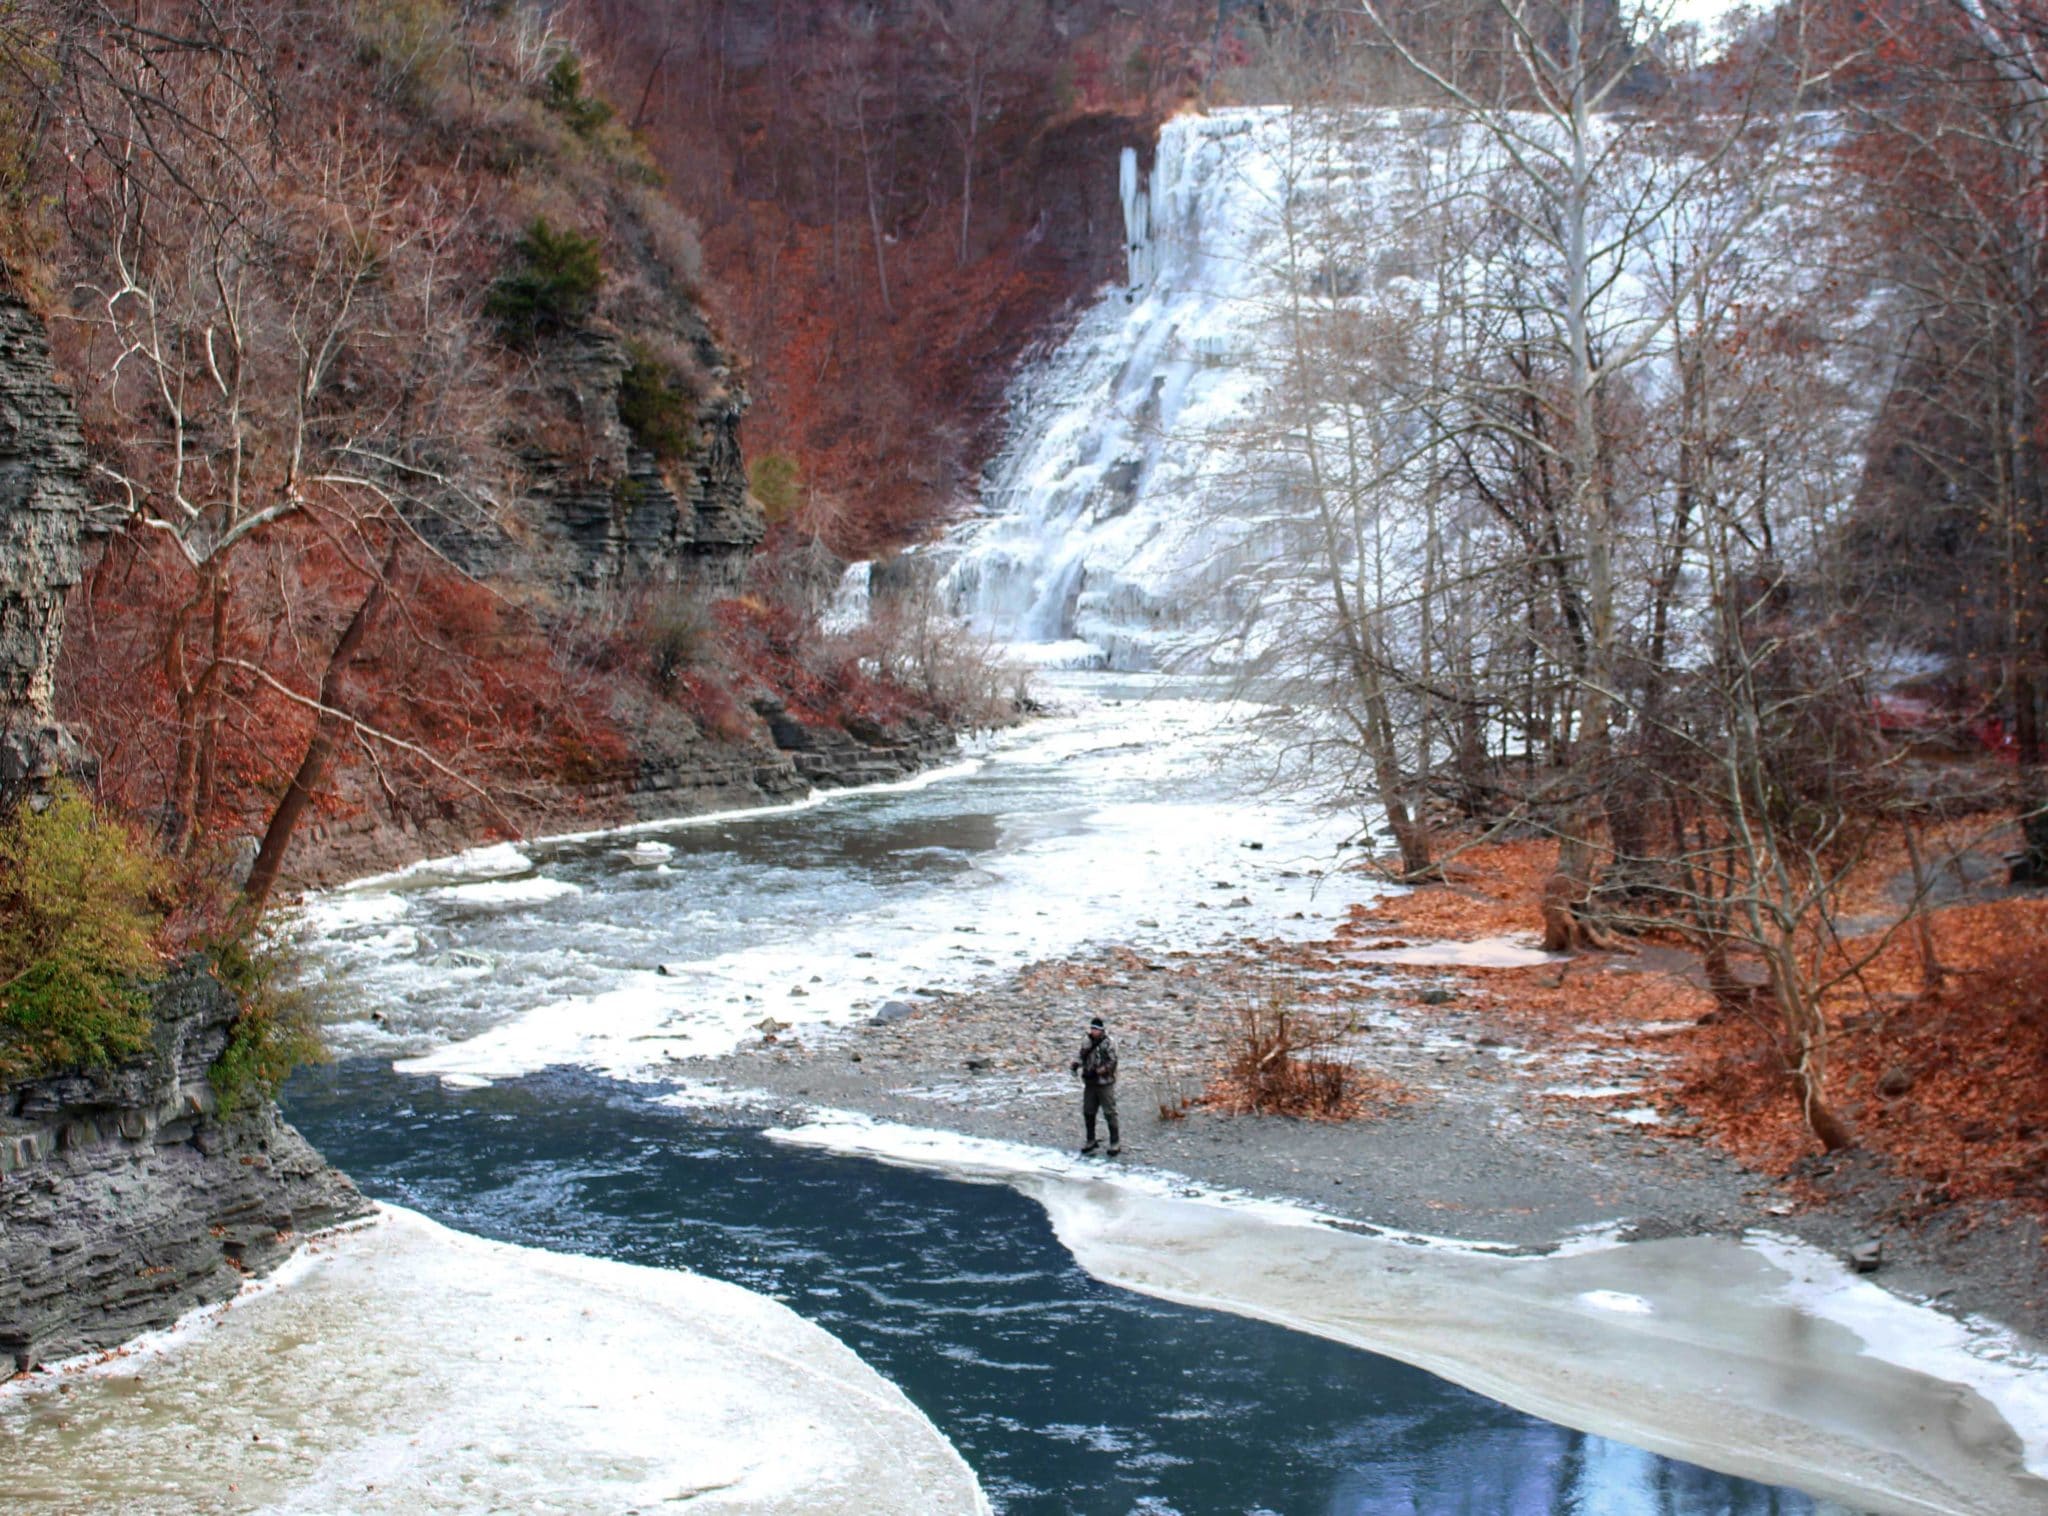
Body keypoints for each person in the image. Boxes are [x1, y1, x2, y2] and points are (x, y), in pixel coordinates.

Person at [1070, 1016, 1121, 1156]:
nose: (1093, 1031)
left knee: (1110, 1112)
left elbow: (1112, 1062)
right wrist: (1075, 1065)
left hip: (1105, 1083)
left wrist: (1098, 1072)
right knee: (1088, 1111)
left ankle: (1115, 1142)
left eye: (1096, 1029)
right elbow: (1082, 1055)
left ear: (1102, 1030)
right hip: (1090, 1084)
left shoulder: (1109, 1043)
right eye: (1092, 1028)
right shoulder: (1086, 1041)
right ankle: (1090, 1140)